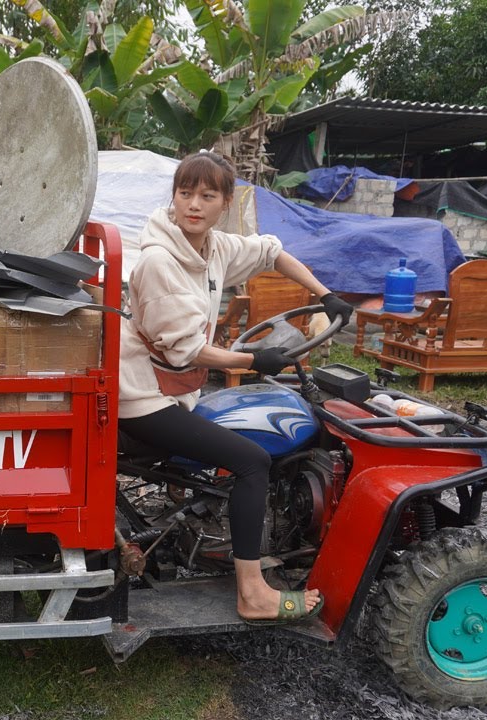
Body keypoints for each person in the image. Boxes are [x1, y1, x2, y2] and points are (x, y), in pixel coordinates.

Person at [118, 151, 354, 624]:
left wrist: (324, 293)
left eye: (207, 195)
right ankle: (253, 592)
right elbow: (189, 351)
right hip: (141, 396)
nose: (194, 204)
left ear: (226, 202)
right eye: (185, 193)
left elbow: (271, 251)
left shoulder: (215, 247)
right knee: (252, 461)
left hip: (172, 388)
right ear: (175, 196)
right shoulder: (159, 261)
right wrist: (253, 360)